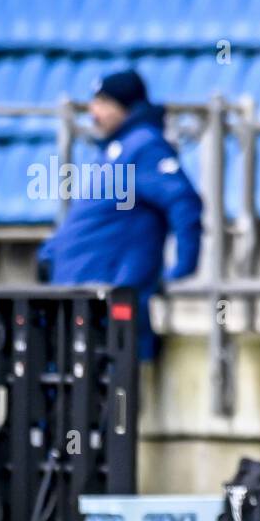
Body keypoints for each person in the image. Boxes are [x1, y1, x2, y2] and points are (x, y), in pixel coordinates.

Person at [37, 68, 203, 360]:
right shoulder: (116, 149)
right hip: (80, 297)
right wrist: (50, 254)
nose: (93, 112)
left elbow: (183, 201)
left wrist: (183, 266)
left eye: (103, 102)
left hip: (109, 304)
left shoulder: (145, 146)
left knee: (107, 383)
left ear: (125, 106)